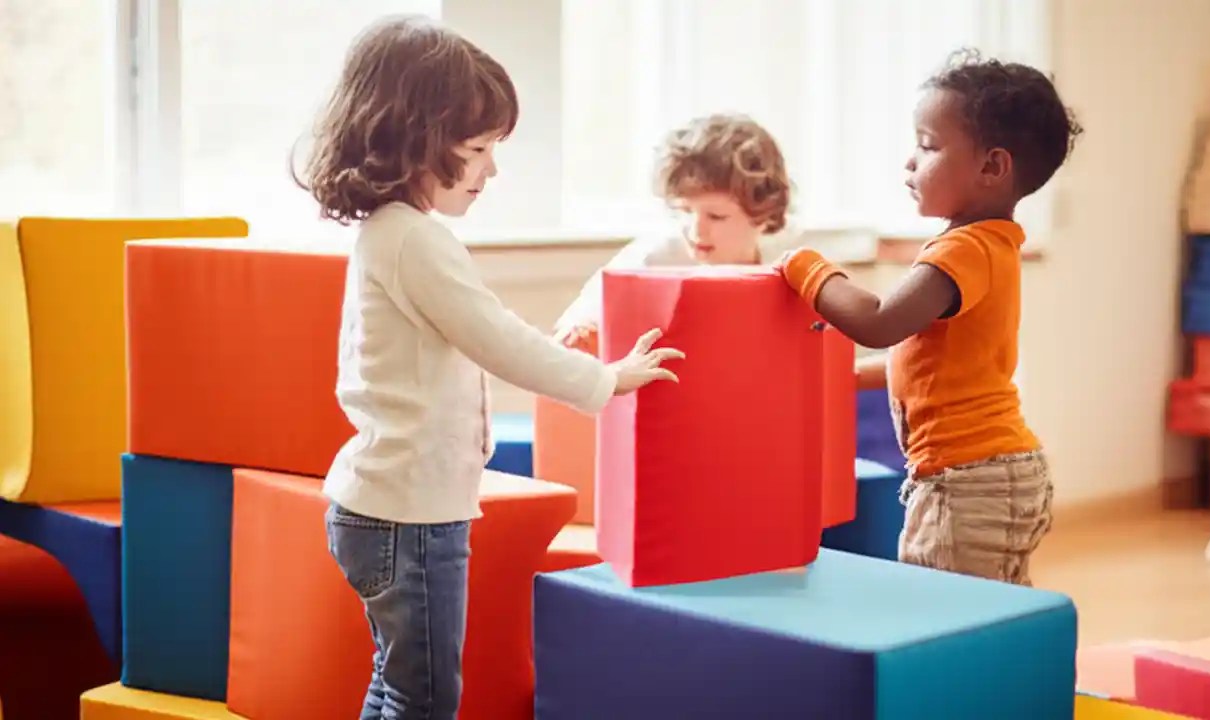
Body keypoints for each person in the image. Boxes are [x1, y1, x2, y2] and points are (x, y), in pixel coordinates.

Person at [292, 16, 683, 719]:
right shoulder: (415, 241)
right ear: (414, 141)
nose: (492, 169)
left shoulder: (388, 234)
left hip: (386, 508)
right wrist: (607, 378)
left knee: (399, 683)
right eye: (478, 148)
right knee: (426, 696)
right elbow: (497, 338)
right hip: (408, 518)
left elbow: (473, 339)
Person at [778, 48, 1082, 586]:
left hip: (969, 483)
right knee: (992, 615)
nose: (910, 162)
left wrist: (805, 269)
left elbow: (878, 322)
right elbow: (934, 361)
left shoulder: (962, 251)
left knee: (941, 608)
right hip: (999, 471)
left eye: (927, 145)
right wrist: (846, 378)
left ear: (992, 167)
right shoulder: (995, 245)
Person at [554, 113, 798, 351]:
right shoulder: (650, 261)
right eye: (683, 211)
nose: (695, 230)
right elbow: (574, 330)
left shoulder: (787, 265)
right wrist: (583, 332)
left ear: (764, 216)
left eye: (716, 216)